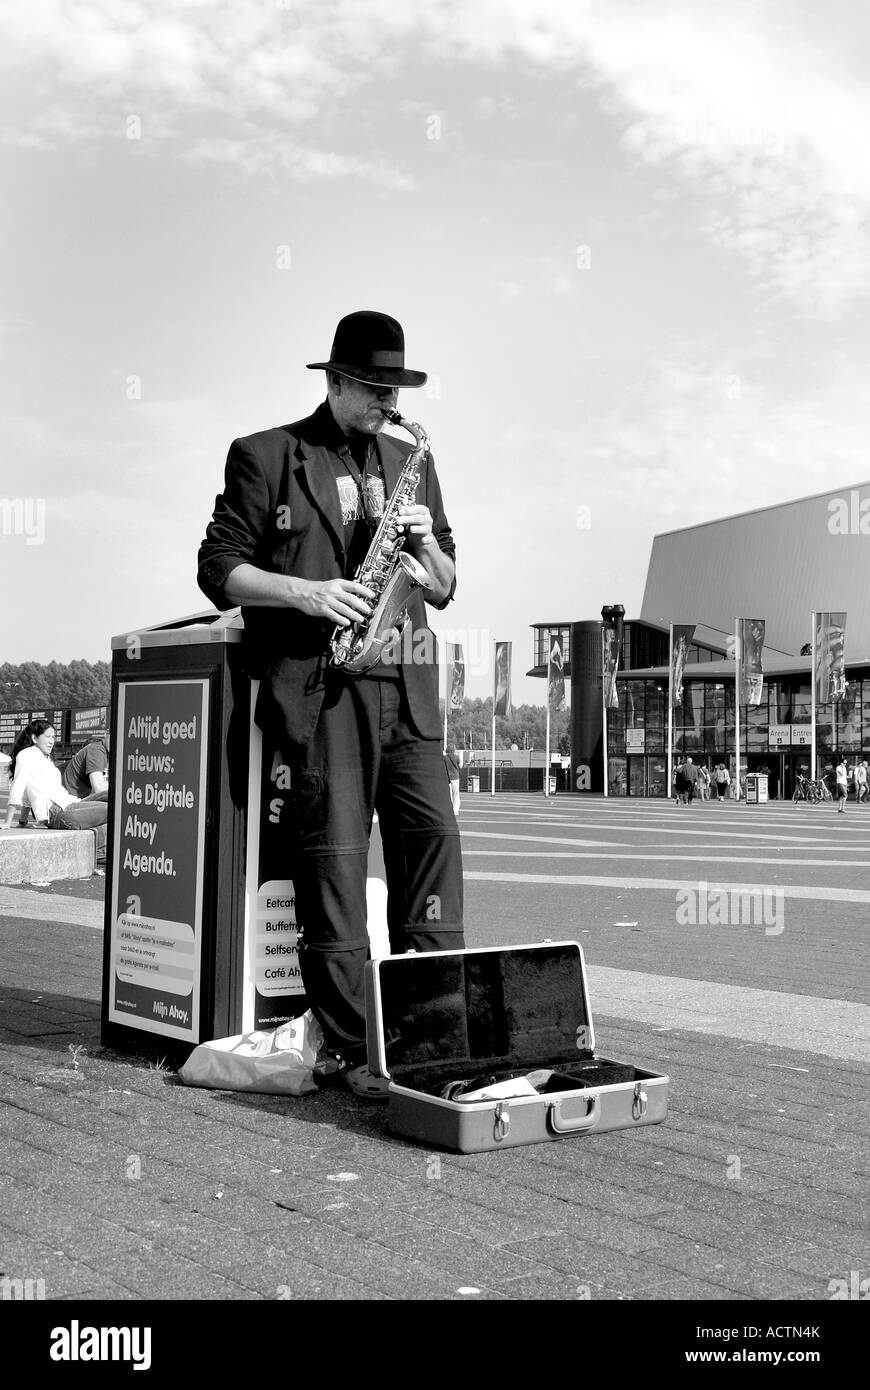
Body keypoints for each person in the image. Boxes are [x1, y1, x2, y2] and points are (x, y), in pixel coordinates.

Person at [197, 310, 464, 1099]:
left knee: (434, 851)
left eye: (397, 388)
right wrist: (308, 594)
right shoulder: (268, 454)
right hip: (325, 688)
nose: (388, 402)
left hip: (408, 692)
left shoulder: (411, 458)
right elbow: (219, 569)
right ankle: (355, 1052)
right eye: (375, 388)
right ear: (336, 379)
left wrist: (425, 549)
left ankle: (435, 1031)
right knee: (338, 874)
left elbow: (445, 587)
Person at [1, 720, 109, 855]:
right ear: (34, 738)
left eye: (53, 737)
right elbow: (19, 786)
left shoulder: (46, 758)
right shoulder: (27, 755)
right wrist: (7, 821)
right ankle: (101, 853)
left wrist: (23, 821)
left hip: (71, 803)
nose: (51, 741)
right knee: (112, 811)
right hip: (57, 813)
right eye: (47, 737)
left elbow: (30, 794)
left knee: (110, 795)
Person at [62, 731, 110, 799]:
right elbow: (99, 788)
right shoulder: (96, 750)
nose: (116, 741)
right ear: (106, 734)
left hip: (83, 799)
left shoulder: (114, 755)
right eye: (114, 736)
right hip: (72, 801)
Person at [444, 742, 461, 816]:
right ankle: (455, 810)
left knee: (449, 795)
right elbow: (460, 765)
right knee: (456, 795)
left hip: (447, 778)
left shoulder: (444, 758)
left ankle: (449, 810)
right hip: (455, 777)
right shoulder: (457, 757)